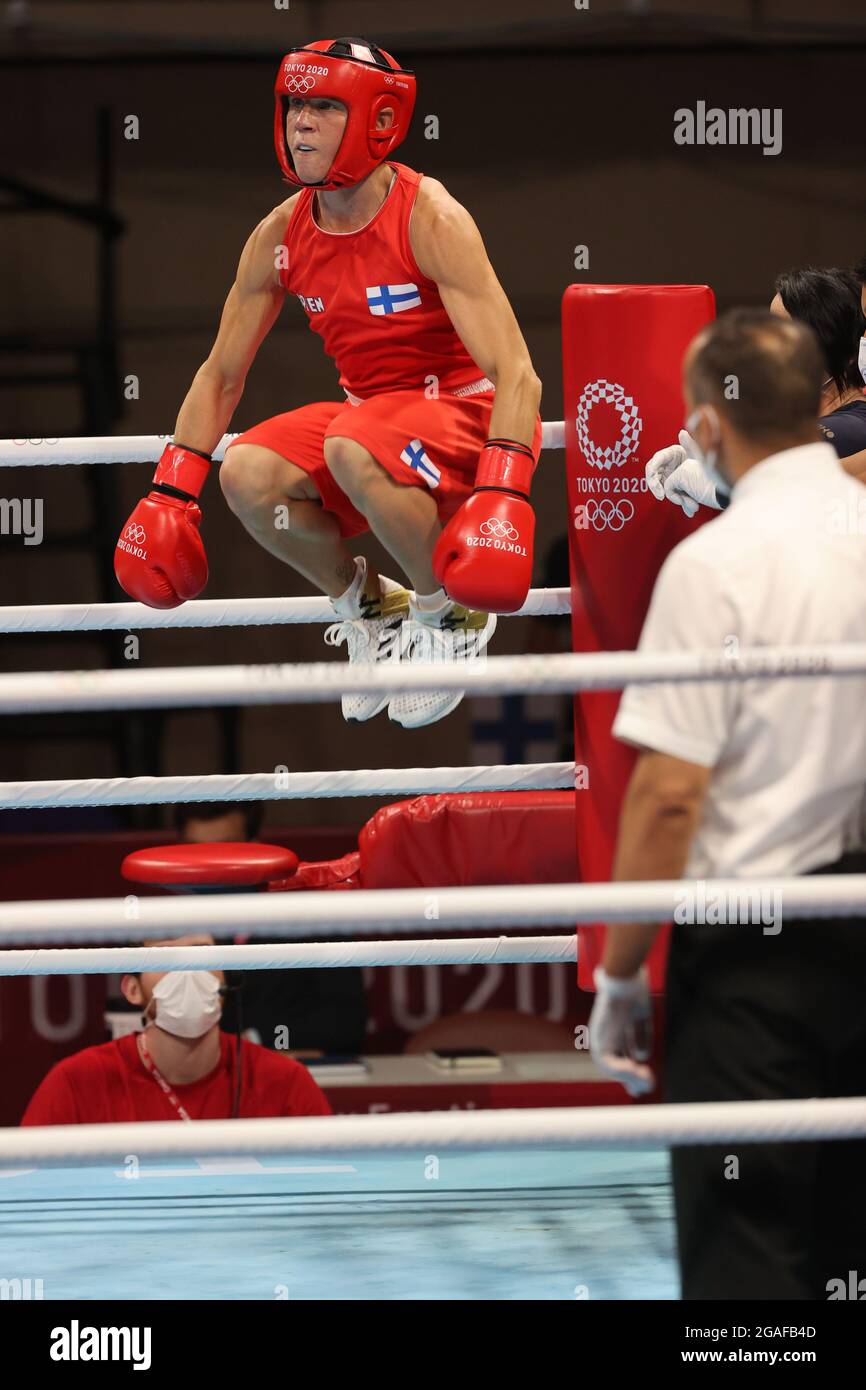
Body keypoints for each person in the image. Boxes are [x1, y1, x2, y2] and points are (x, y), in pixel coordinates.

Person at [114, 36, 543, 728]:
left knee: (352, 443)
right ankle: (375, 609)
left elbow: (518, 374)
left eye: (322, 106)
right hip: (369, 425)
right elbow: (221, 373)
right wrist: (169, 491)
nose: (300, 123)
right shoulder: (279, 236)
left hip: (460, 418)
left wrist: (503, 492)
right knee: (246, 471)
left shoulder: (431, 218)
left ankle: (447, 613)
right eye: (292, 105)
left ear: (376, 120)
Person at [588, 309, 866, 1299]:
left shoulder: (714, 564)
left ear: (706, 425)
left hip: (755, 949)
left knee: (744, 1252)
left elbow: (667, 797)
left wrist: (621, 978)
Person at [21, 935, 331, 1124]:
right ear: (132, 989)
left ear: (227, 979)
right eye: (165, 956)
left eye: (200, 953)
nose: (186, 972)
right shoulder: (74, 1083)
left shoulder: (287, 1081)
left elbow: (331, 1200)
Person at [648, 265, 866, 514]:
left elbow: (785, 467)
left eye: (785, 337)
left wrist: (716, 480)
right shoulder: (790, 422)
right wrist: (706, 461)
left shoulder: (857, 426)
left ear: (840, 350)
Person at [173, 801, 367, 1055]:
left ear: (254, 847)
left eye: (225, 849)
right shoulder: (164, 930)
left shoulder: (315, 918)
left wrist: (252, 1039)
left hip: (293, 1077)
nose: (209, 865)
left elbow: (346, 1023)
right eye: (195, 851)